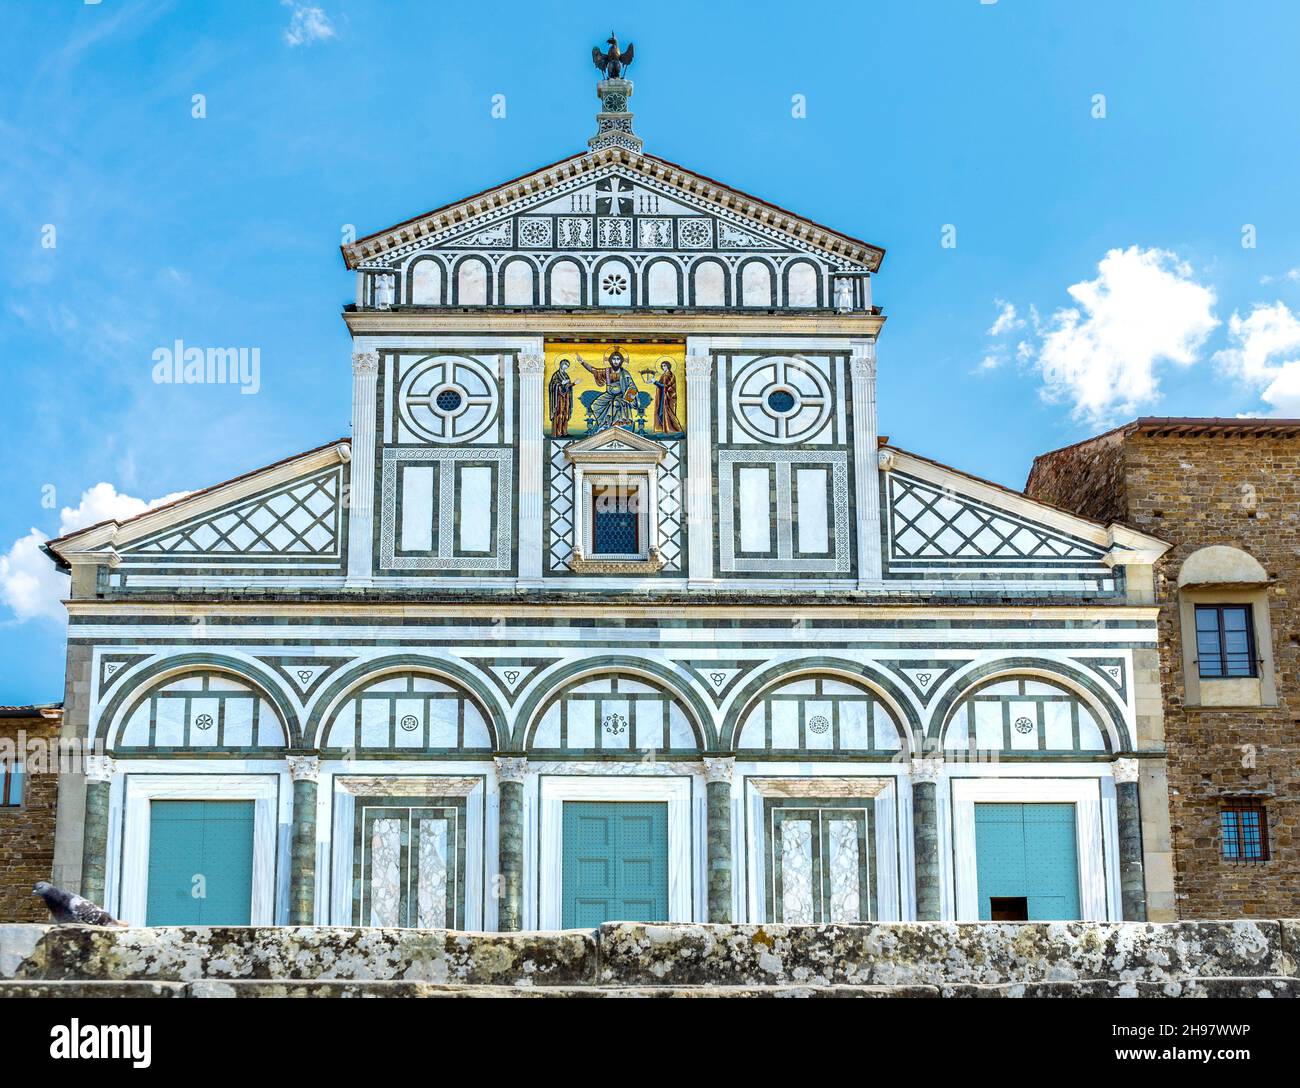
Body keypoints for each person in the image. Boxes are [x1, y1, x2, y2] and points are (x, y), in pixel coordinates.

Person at [579, 348, 639, 432]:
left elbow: (632, 386)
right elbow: (594, 371)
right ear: (611, 360)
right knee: (595, 405)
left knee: (616, 403)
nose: (615, 361)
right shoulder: (607, 371)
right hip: (609, 394)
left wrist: (629, 397)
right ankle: (603, 424)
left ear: (621, 361)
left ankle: (614, 424)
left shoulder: (625, 373)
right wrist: (582, 362)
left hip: (621, 396)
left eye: (618, 359)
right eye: (614, 359)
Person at [651, 358, 683, 434]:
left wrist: (655, 382)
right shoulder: (663, 375)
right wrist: (654, 382)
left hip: (668, 398)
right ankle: (663, 428)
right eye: (662, 366)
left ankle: (675, 429)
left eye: (664, 366)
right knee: (660, 412)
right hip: (662, 396)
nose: (663, 367)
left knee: (669, 413)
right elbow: (660, 385)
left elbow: (667, 386)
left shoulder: (671, 375)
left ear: (668, 366)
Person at [548, 357, 576, 436]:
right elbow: (552, 385)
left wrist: (573, 383)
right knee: (559, 414)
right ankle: (557, 433)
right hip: (558, 398)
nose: (565, 367)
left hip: (566, 398)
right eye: (565, 365)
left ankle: (564, 432)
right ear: (561, 364)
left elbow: (568, 386)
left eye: (567, 366)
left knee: (565, 414)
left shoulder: (566, 375)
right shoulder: (556, 374)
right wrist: (561, 383)